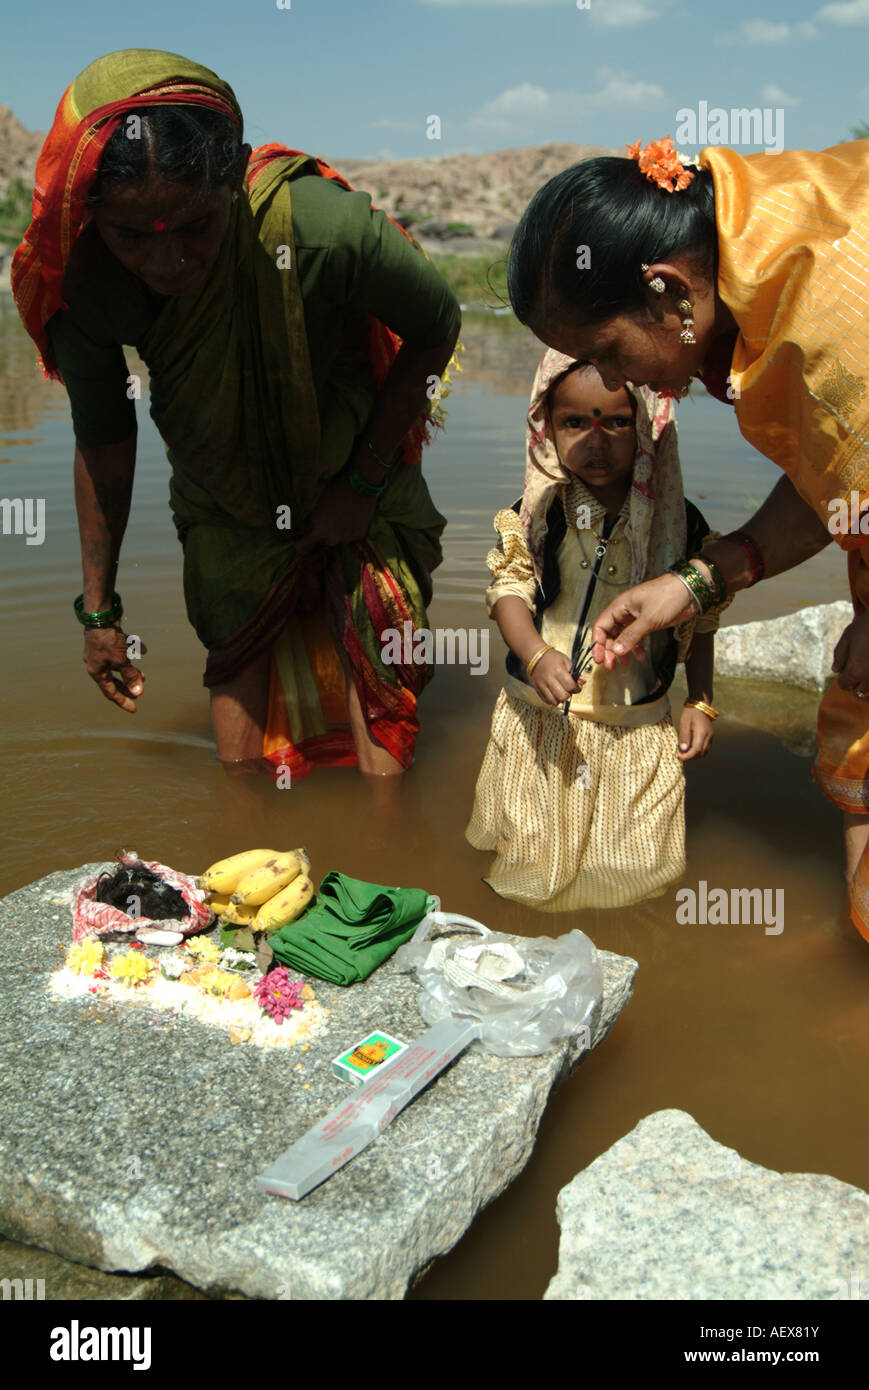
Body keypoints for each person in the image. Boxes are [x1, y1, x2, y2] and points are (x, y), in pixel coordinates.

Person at [12, 49, 460, 778]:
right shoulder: (87, 282)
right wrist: (99, 613)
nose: (167, 263)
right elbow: (103, 435)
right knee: (237, 702)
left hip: (355, 464)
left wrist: (364, 482)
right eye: (133, 237)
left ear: (234, 178)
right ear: (91, 217)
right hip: (223, 490)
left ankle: (389, 835)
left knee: (381, 671)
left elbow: (437, 324)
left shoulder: (317, 229)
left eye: (196, 226)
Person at [505, 135, 869, 939]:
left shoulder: (831, 325)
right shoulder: (764, 262)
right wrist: (695, 581)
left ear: (666, 290)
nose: (616, 381)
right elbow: (839, 480)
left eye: (607, 352)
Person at [465, 353, 721, 910]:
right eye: (575, 423)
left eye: (617, 422)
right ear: (547, 428)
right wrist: (535, 654)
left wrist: (700, 701)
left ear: (647, 426)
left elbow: (700, 618)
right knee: (532, 858)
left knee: (633, 871)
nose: (595, 441)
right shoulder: (538, 514)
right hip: (542, 721)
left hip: (634, 726)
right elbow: (508, 592)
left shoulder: (678, 526)